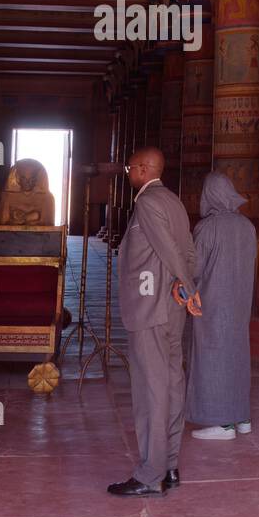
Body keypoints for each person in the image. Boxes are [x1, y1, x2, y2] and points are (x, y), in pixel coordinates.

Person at [108, 147, 199, 497]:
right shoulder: (174, 201)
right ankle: (170, 465)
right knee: (172, 385)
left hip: (150, 311)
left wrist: (188, 287)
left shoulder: (147, 203)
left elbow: (170, 251)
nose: (128, 172)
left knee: (151, 391)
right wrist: (185, 285)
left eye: (130, 167)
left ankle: (149, 474)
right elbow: (188, 252)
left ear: (144, 169)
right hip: (170, 309)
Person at [186, 172, 256, 441]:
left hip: (212, 303)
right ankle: (242, 418)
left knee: (212, 358)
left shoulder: (208, 228)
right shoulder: (247, 227)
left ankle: (222, 423)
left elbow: (193, 268)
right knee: (237, 355)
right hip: (239, 303)